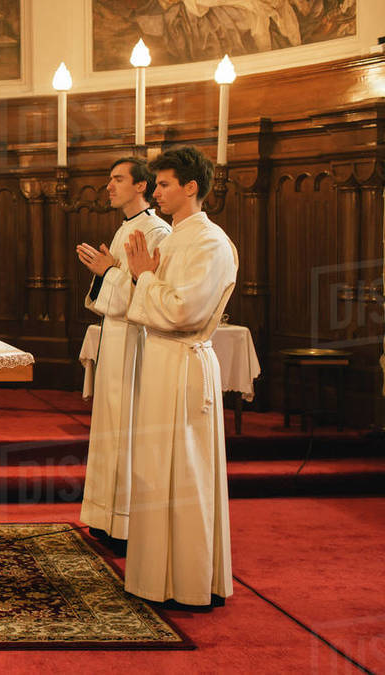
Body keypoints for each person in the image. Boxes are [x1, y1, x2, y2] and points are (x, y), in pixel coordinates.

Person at [123, 146, 239, 609]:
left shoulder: (209, 241)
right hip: (162, 362)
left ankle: (189, 583)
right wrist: (143, 277)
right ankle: (158, 578)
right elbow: (157, 299)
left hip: (184, 362)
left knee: (186, 472)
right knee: (156, 469)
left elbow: (181, 311)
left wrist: (144, 278)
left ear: (192, 188)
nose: (156, 191)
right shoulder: (174, 238)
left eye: (165, 184)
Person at [75, 157, 171, 552]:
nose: (109, 186)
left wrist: (108, 272)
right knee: (110, 429)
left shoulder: (156, 231)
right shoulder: (126, 229)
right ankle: (105, 516)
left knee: (128, 429)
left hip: (138, 342)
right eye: (109, 179)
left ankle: (128, 522)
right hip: (116, 340)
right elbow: (117, 289)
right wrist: (108, 272)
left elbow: (150, 291)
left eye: (118, 180)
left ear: (142, 186)